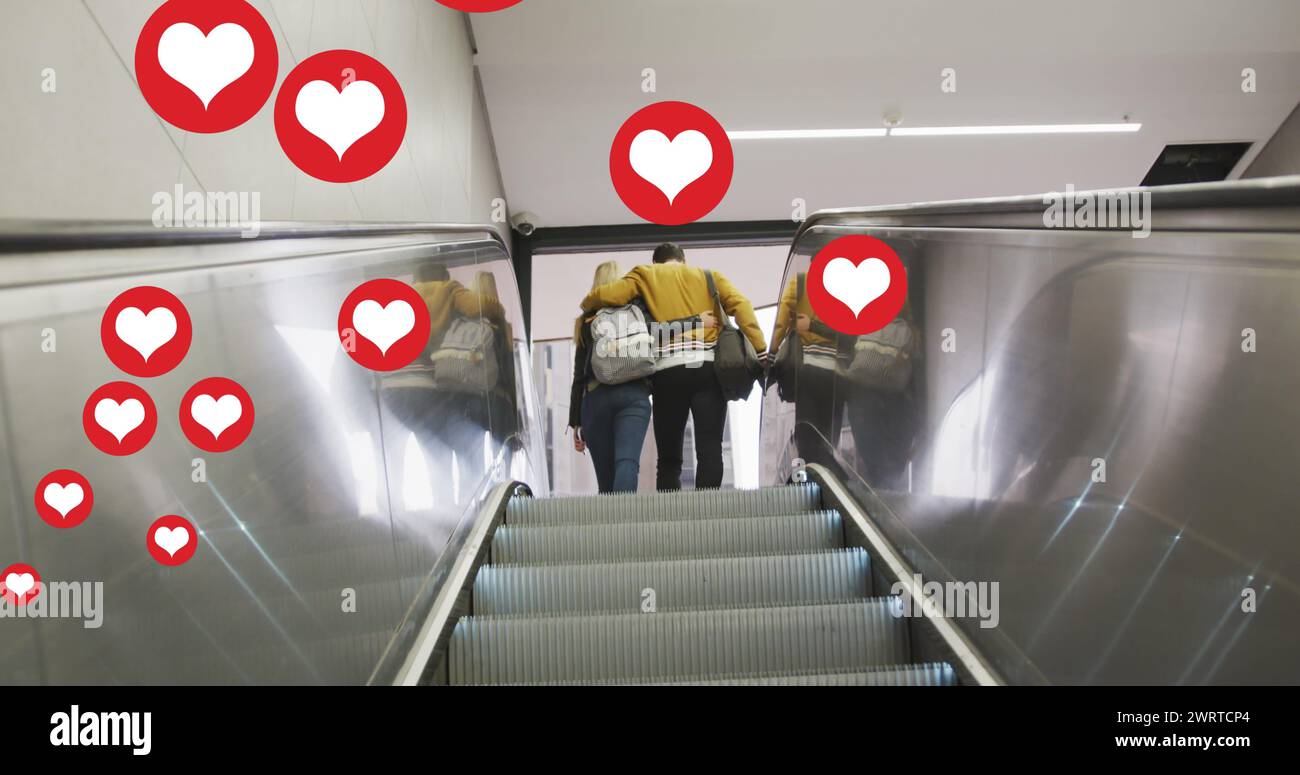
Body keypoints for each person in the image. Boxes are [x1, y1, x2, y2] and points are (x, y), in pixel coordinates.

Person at [581, 243, 766, 490]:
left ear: (656, 263)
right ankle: (708, 514)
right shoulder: (709, 276)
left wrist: (587, 303)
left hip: (667, 373)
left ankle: (672, 517)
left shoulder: (645, 274)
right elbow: (742, 305)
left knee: (669, 457)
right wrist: (760, 347)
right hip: (706, 369)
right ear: (683, 260)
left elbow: (607, 295)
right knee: (710, 448)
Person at [569, 261, 653, 493]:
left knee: (605, 479)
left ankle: (611, 524)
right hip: (634, 394)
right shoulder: (637, 310)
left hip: (597, 398)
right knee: (627, 463)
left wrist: (575, 420)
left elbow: (579, 374)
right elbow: (660, 335)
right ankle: (626, 522)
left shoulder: (586, 319)